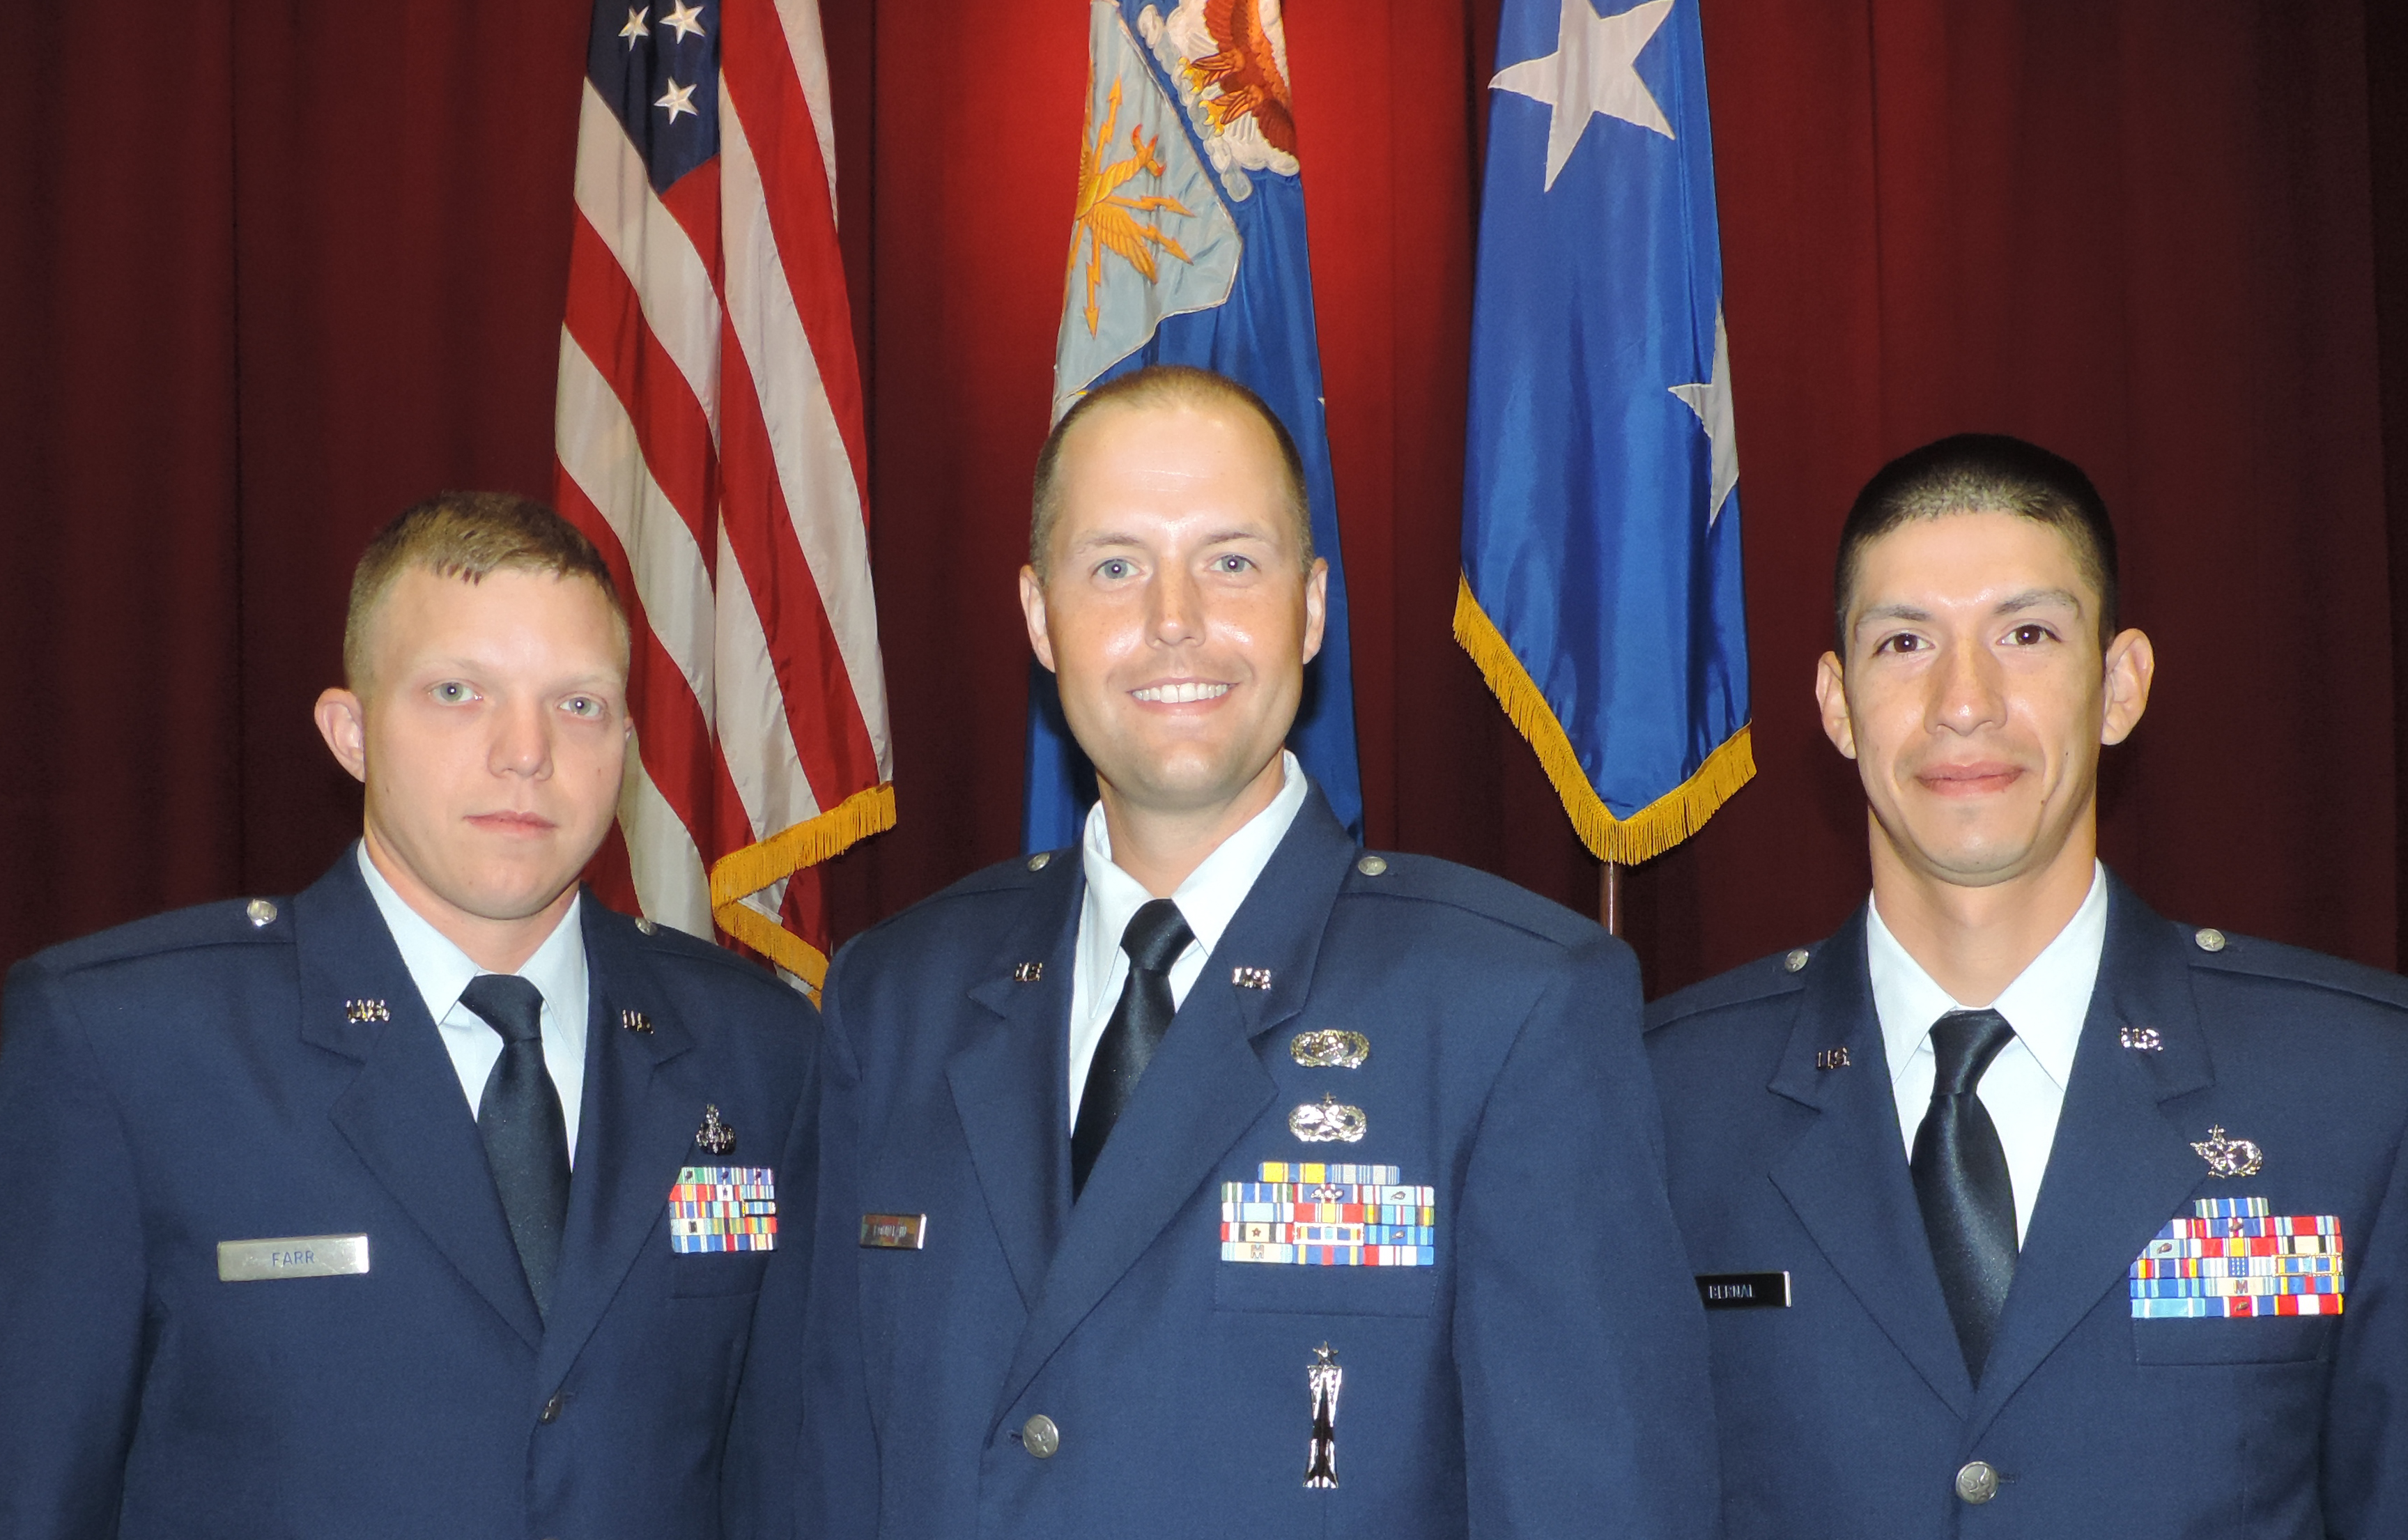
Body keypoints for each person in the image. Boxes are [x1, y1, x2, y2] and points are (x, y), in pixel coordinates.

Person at [796, 365, 1718, 1540]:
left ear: (1312, 605)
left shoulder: (1512, 1006)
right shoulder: (897, 999)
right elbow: (820, 1471)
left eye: (1232, 561)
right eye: (1116, 565)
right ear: (1039, 615)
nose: (1173, 616)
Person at [0, 493, 815, 1539]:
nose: (525, 751)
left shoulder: (757, 1053)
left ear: (624, 736)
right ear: (352, 732)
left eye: (578, 704)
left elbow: (786, 1476)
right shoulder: (123, 1048)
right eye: (457, 691)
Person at [1645, 434, 2408, 1537]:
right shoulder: (1668, 1101)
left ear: (2120, 684)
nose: (1966, 701)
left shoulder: (2354, 1089)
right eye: (1905, 641)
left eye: (2028, 633)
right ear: (1836, 702)